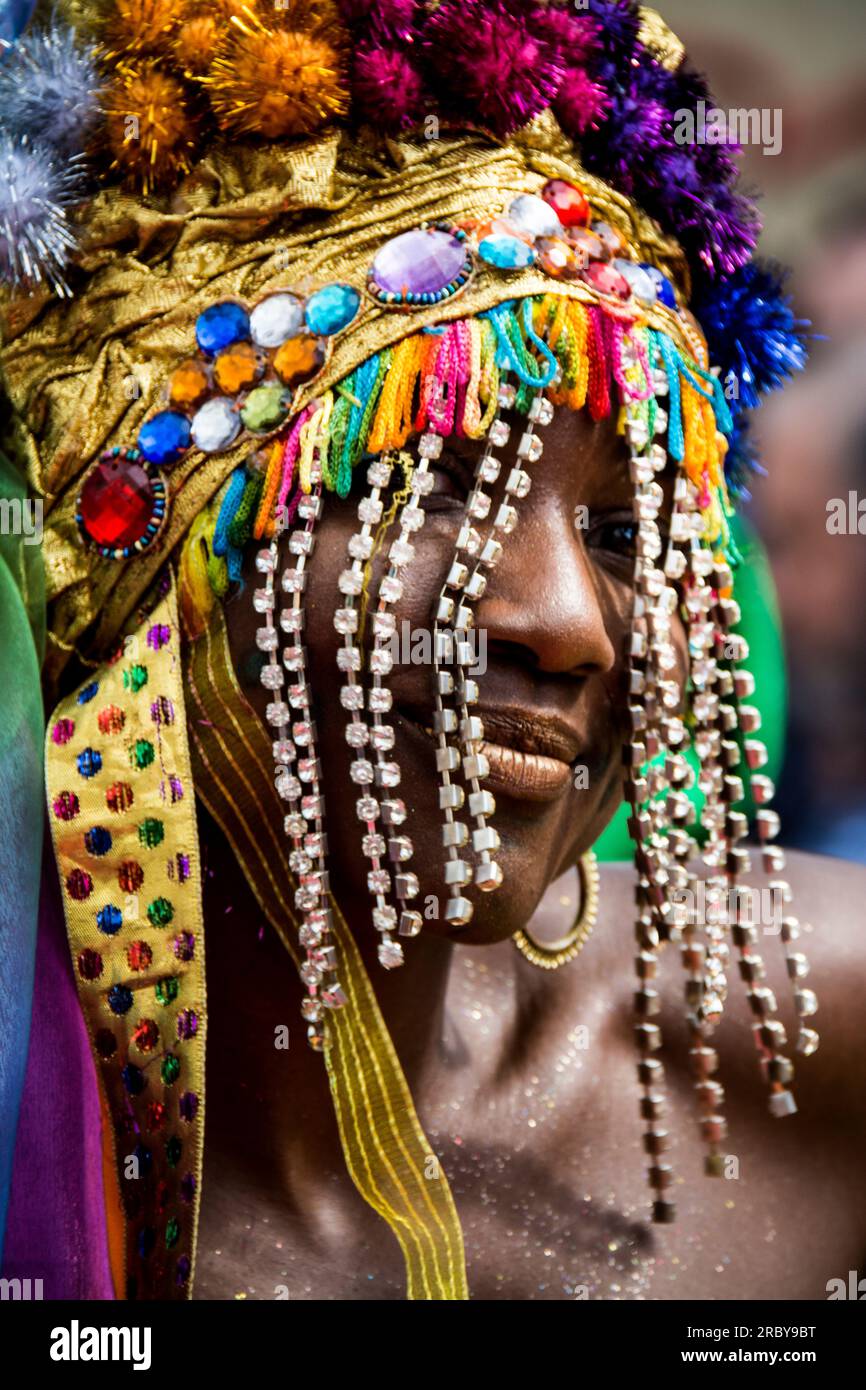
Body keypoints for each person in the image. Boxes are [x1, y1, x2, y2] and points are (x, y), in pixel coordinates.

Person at [1, 0, 864, 1302]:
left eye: (626, 531)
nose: (566, 623)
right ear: (147, 563)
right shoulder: (38, 1162)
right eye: (434, 490)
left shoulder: (803, 1046)